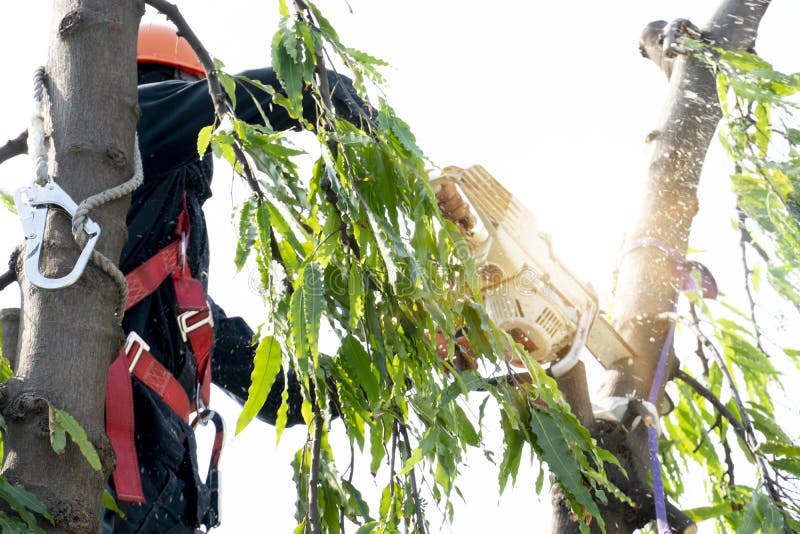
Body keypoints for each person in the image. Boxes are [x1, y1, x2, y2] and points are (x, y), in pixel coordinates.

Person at [103, 23, 367, 532]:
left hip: (158, 500)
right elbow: (215, 107)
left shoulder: (175, 236)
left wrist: (357, 387)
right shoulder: (122, 140)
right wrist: (309, 94)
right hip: (106, 489)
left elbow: (254, 375)